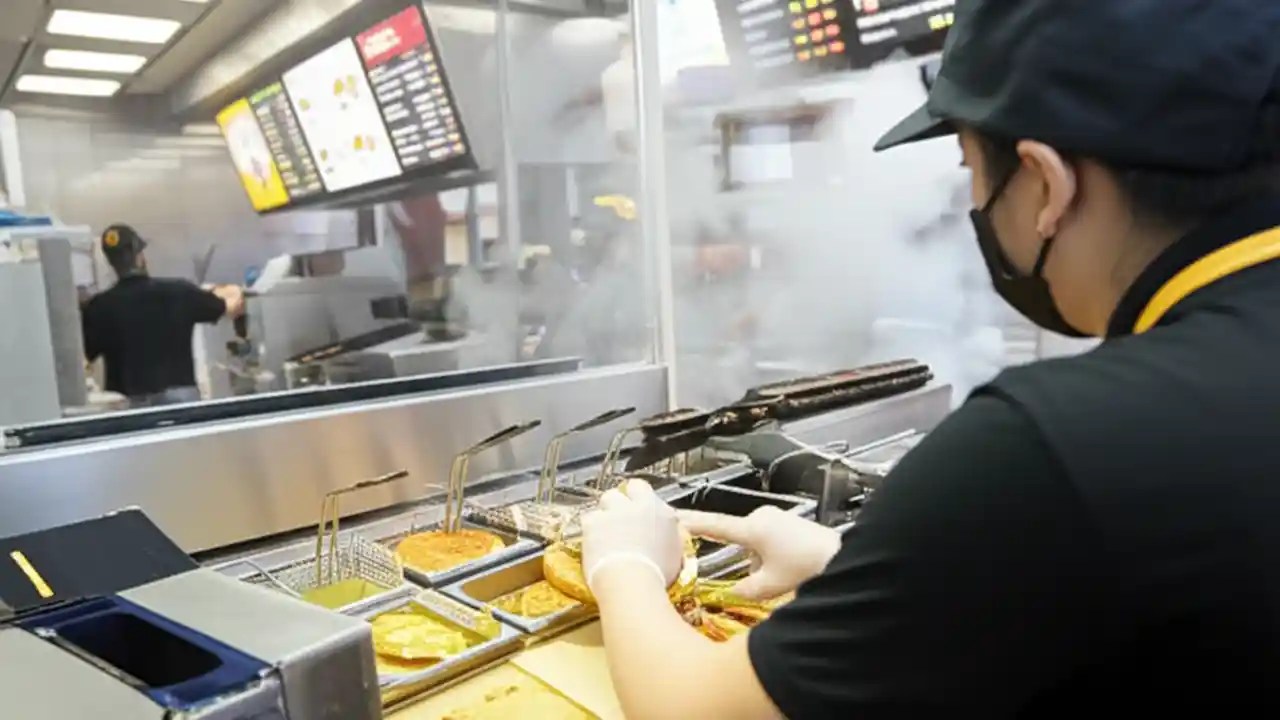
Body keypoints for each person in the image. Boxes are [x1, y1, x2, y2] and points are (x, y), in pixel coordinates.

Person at [581, 1, 1280, 717]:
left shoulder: (1052, 443)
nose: (975, 203)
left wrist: (625, 566)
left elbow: (696, 711)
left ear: (1046, 182)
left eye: (972, 171)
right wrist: (855, 567)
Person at [82, 224, 245, 408]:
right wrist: (234, 290)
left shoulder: (98, 307)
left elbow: (82, 360)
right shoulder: (178, 292)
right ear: (140, 257)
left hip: (129, 410)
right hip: (179, 404)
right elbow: (233, 306)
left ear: (111, 263)